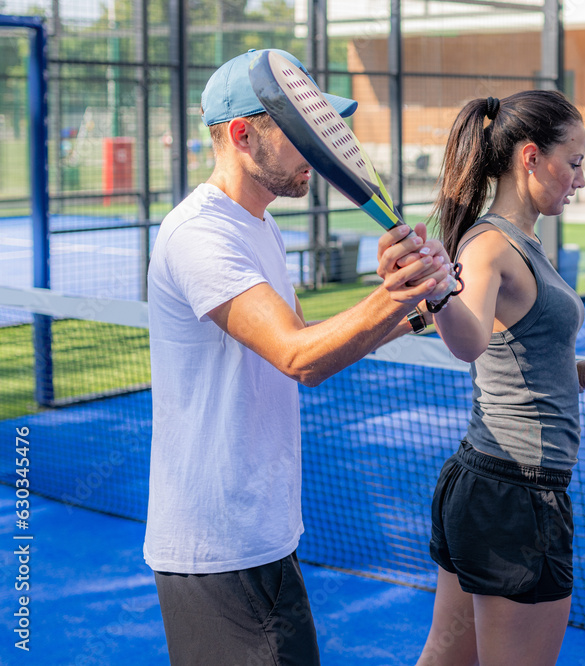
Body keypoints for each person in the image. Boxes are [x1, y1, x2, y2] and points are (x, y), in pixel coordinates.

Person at [143, 49, 455, 665]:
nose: (318, 150)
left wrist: (416, 310)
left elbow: (300, 336)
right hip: (220, 548)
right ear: (240, 135)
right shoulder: (200, 233)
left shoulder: (259, 225)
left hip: (261, 536)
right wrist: (396, 290)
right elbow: (298, 357)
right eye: (299, 133)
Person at [408, 91, 585, 666]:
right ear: (532, 157)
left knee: (445, 661)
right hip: (515, 496)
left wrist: (584, 373)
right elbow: (469, 341)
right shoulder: (491, 247)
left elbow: (515, 345)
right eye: (576, 162)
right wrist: (438, 291)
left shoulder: (518, 240)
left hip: (486, 485)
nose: (582, 179)